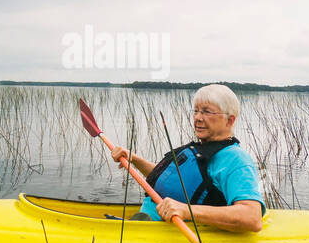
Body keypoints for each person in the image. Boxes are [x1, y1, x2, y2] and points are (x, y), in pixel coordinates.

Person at [110, 84, 266, 232]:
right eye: (196, 111)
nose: (197, 117)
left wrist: (186, 211)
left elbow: (252, 217)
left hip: (164, 235)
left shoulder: (235, 159)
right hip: (144, 223)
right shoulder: (203, 148)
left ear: (229, 120)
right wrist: (134, 159)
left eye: (207, 112)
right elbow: (170, 181)